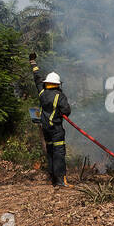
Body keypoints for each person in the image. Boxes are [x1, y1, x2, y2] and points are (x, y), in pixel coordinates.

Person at [30, 53, 72, 188]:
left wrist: (33, 63)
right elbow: (67, 111)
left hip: (45, 128)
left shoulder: (42, 93)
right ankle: (60, 181)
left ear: (47, 83)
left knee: (50, 152)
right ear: (57, 84)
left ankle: (53, 179)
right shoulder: (60, 96)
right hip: (56, 129)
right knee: (59, 153)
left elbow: (37, 78)